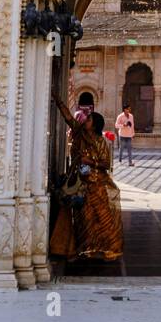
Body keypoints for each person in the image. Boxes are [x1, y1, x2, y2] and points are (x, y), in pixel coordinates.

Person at [49, 92, 123, 261]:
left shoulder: (100, 142)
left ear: (95, 125)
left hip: (96, 184)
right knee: (83, 218)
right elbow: (68, 118)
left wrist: (89, 161)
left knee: (102, 217)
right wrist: (59, 100)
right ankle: (83, 248)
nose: (85, 121)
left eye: (89, 120)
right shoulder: (80, 132)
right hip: (80, 182)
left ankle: (108, 248)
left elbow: (106, 164)